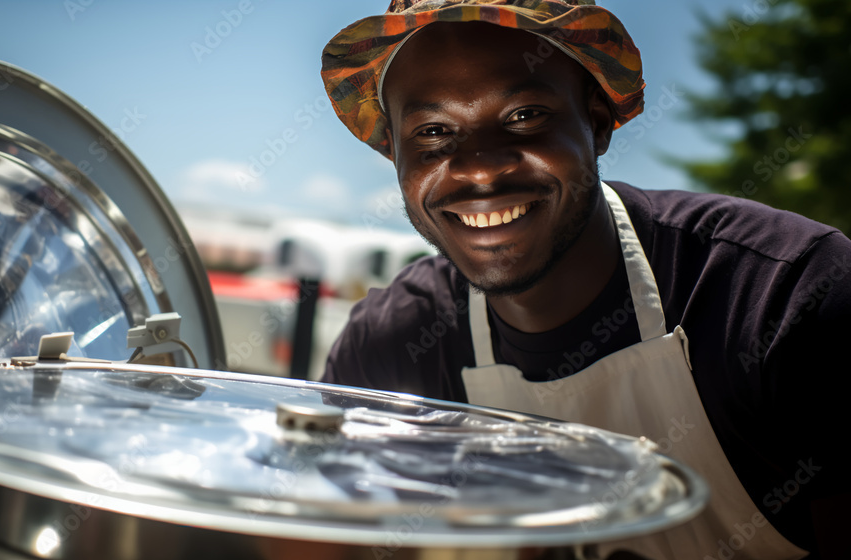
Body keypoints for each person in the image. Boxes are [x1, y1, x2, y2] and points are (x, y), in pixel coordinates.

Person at [319, 1, 851, 559]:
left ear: (597, 124)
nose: (479, 166)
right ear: (396, 157)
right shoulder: (389, 345)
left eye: (525, 115)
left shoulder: (785, 296)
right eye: (432, 131)